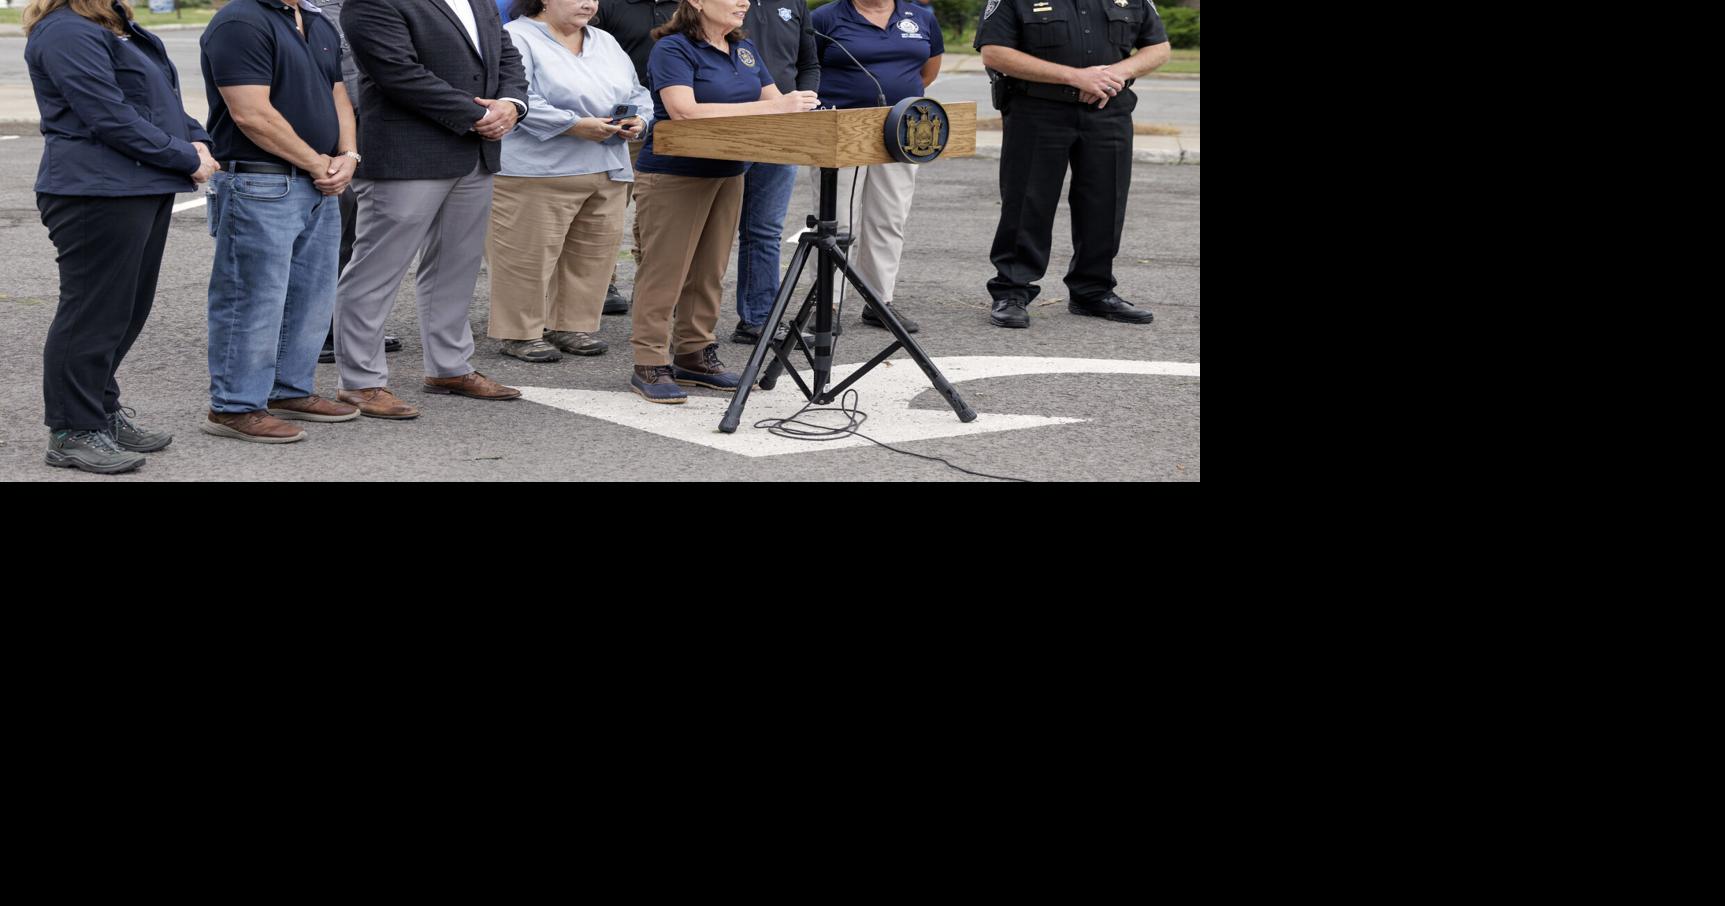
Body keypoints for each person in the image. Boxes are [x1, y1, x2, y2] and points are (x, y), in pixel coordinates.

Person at [24, 0, 218, 473]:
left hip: (141, 184)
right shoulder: (64, 31)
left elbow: (161, 102)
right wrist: (185, 157)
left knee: (125, 311)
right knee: (93, 313)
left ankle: (101, 411)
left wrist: (198, 139)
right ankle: (72, 430)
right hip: (95, 191)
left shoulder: (116, 25)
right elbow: (107, 114)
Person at [335, 0, 531, 419]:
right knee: (375, 270)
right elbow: (397, 73)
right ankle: (360, 381)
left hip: (473, 152)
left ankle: (449, 367)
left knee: (456, 266)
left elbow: (507, 57)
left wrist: (513, 105)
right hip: (408, 155)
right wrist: (478, 113)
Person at [627, 0, 818, 403]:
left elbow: (776, 104)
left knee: (708, 271)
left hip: (728, 172)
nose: (744, 2)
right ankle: (649, 360)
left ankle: (694, 354)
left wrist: (794, 108)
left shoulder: (744, 49)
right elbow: (684, 112)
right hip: (674, 174)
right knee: (666, 271)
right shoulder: (674, 48)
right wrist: (775, 105)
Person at [196, 0, 361, 444]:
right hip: (261, 183)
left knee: (311, 294)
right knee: (252, 297)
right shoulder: (240, 20)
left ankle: (290, 391)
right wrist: (318, 163)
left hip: (318, 182)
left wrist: (348, 156)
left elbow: (338, 95)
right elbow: (251, 113)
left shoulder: (318, 22)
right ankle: (234, 406)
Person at [974, 0, 1169, 328]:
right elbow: (994, 52)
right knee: (1027, 202)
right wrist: (1076, 77)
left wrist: (1114, 74)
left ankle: (1092, 290)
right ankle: (1012, 290)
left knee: (1105, 202)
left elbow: (1159, 47)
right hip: (1037, 110)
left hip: (1108, 110)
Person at [487, 0, 650, 363]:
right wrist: (574, 124)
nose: (590, 3)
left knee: (592, 254)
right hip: (536, 170)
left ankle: (572, 324)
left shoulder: (604, 40)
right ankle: (520, 332)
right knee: (525, 256)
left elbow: (637, 91)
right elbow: (516, 97)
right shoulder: (516, 37)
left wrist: (639, 119)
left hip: (606, 165)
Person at [798, 0, 944, 334]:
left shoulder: (920, 18)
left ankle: (879, 302)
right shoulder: (825, 18)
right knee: (836, 222)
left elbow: (927, 71)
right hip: (841, 130)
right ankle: (826, 305)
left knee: (889, 217)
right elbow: (807, 68)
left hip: (900, 129)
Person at [310, 0, 400, 367]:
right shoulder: (316, 12)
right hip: (326, 134)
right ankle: (319, 331)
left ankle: (342, 326)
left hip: (363, 129)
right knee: (328, 237)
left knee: (353, 234)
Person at [729, 0, 819, 346]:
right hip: (726, 126)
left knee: (765, 230)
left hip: (781, 132)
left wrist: (804, 102)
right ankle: (686, 324)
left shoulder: (794, 2)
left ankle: (758, 320)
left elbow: (808, 62)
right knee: (707, 234)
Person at [589, 0, 680, 315]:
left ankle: (654, 283)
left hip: (673, 122)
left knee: (658, 212)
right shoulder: (610, 5)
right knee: (608, 209)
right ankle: (603, 283)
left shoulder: (687, 6)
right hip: (625, 123)